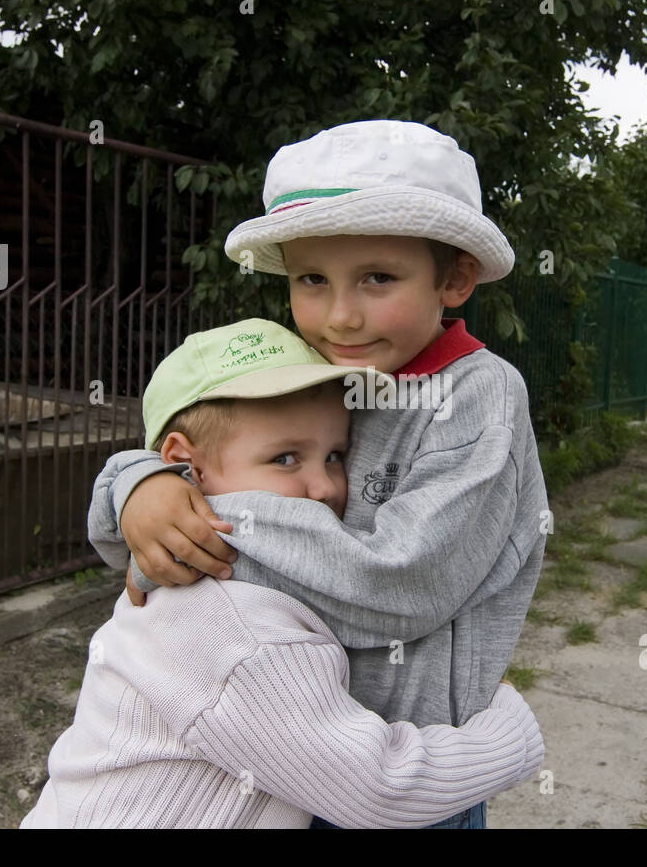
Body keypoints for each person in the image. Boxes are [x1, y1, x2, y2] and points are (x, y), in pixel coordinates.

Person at [88, 119, 549, 828]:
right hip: (298, 751)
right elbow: (212, 440)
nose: (340, 315)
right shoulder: (322, 372)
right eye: (312, 279)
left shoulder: (479, 397)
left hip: (415, 771)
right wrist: (141, 484)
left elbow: (404, 581)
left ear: (454, 278)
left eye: (378, 278)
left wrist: (201, 523)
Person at [23, 319, 544, 828]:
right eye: (286, 457)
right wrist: (510, 733)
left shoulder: (220, 574)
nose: (324, 487)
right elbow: (378, 788)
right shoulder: (237, 627)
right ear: (186, 465)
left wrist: (134, 479)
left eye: (335, 455)